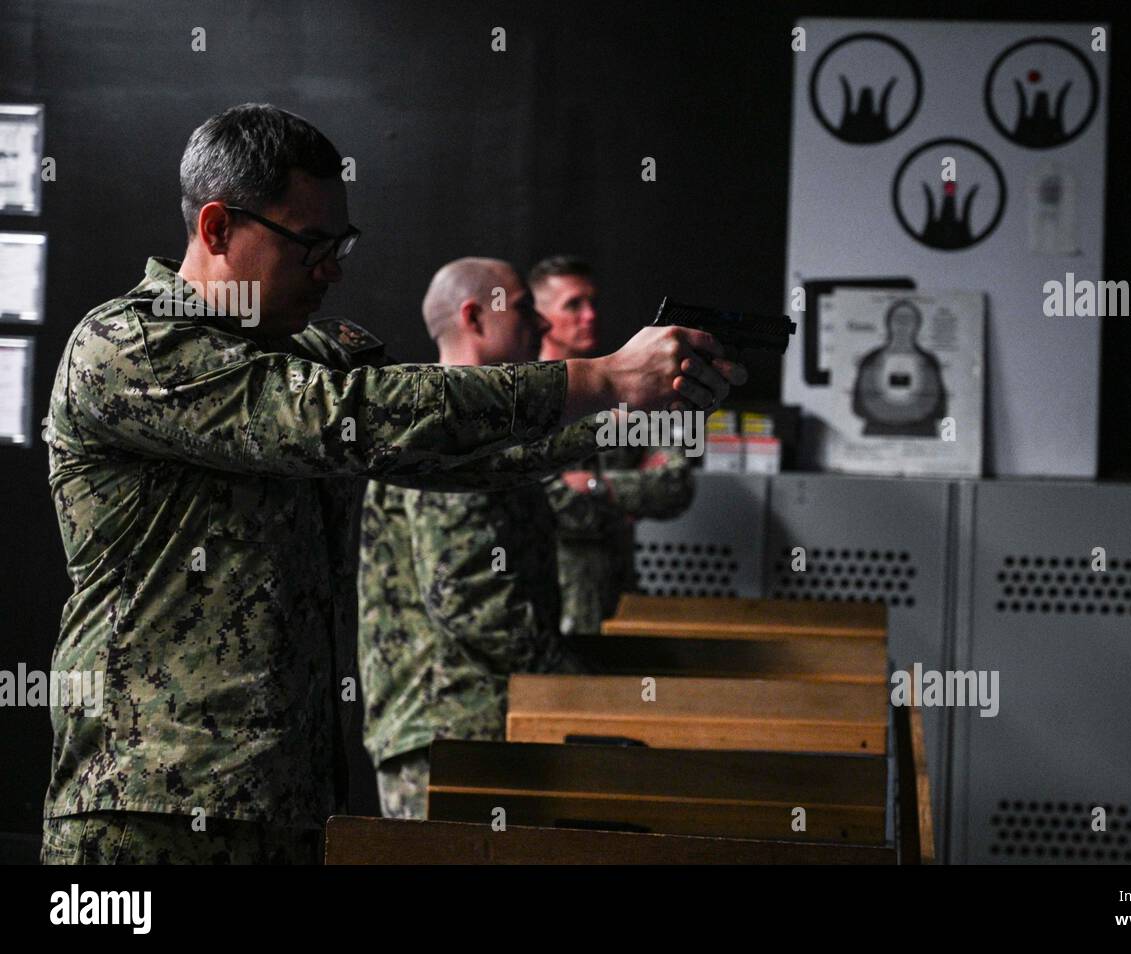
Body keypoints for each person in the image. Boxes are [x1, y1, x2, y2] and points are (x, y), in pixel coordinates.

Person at [40, 104, 743, 864]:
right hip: (146, 810)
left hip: (290, 803)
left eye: (339, 244)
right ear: (217, 229)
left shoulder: (304, 354)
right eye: (311, 244)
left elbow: (454, 451)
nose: (332, 269)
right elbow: (353, 417)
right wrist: (599, 376)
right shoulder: (122, 348)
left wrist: (636, 409)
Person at [359, 257, 585, 819]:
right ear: (474, 318)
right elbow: (469, 596)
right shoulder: (440, 423)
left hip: (478, 724)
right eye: (526, 309)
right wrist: (572, 681)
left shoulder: (470, 423)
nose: (544, 326)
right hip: (452, 733)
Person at [531, 256, 695, 636]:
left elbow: (675, 485)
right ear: (540, 317)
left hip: (618, 605)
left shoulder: (630, 397)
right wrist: (623, 501)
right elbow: (541, 503)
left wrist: (594, 487)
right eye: (573, 304)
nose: (589, 315)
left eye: (592, 302)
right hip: (543, 605)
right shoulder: (520, 403)